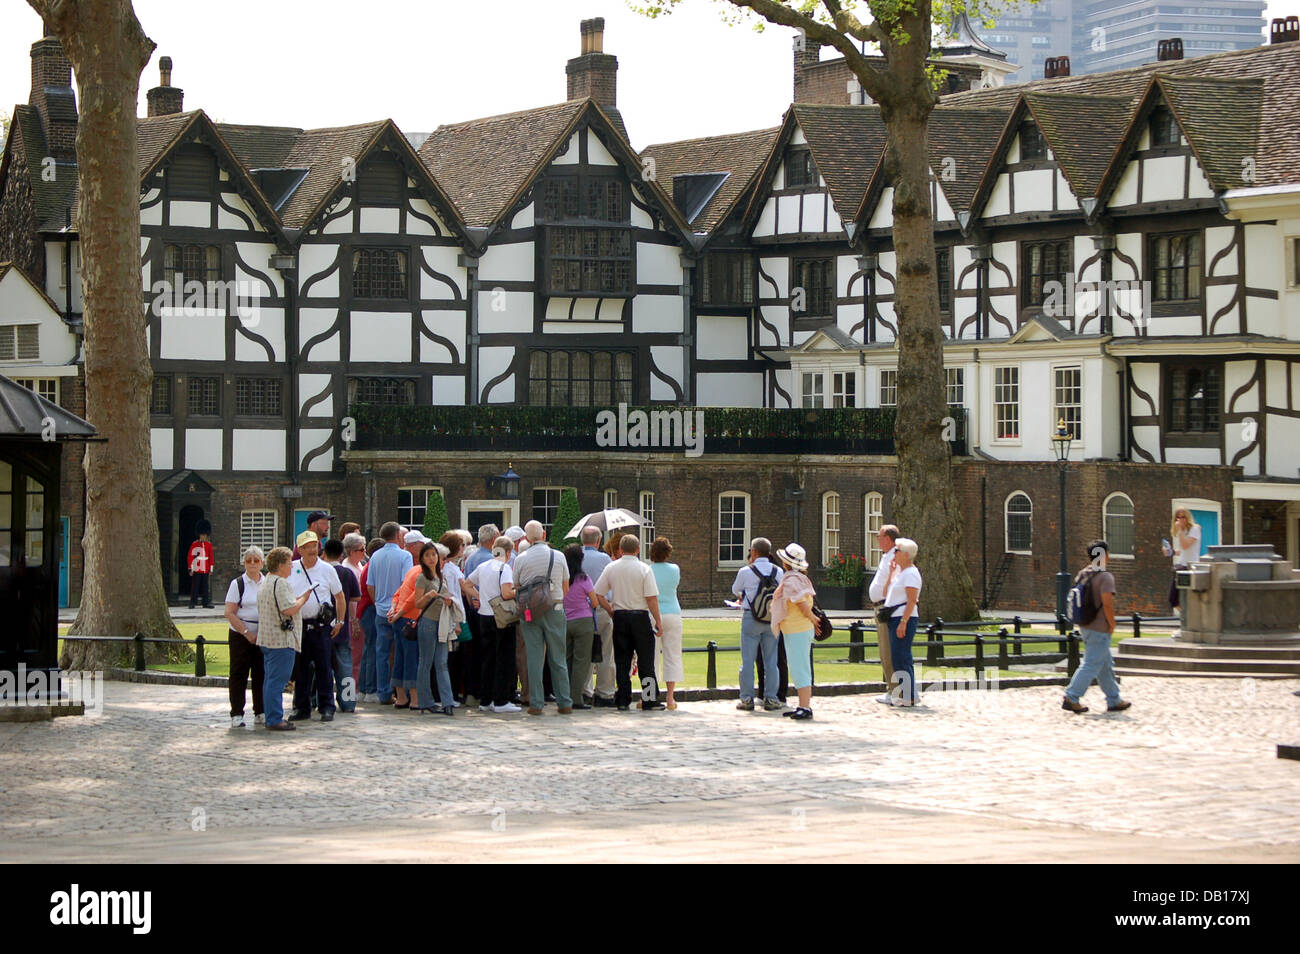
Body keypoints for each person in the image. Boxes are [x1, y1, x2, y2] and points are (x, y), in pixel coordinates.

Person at [593, 534, 663, 711]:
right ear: (638, 549)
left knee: (622, 660)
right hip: (640, 616)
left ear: (620, 550)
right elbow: (651, 598)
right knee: (646, 661)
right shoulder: (644, 569)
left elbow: (598, 594)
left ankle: (623, 699)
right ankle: (649, 699)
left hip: (620, 616)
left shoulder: (611, 567)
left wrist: (610, 611)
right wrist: (658, 620)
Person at [1062, 540, 1132, 714]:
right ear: (1105, 555)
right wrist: (1112, 623)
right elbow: (1107, 603)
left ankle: (1114, 699)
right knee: (1091, 664)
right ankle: (1072, 696)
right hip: (1099, 626)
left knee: (1105, 664)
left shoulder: (1084, 573)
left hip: (1085, 624)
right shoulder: (1105, 577)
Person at [513, 521, 572, 715]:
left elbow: (517, 586)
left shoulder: (521, 559)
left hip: (531, 610)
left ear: (527, 539)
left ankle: (536, 703)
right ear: (544, 534)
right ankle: (564, 701)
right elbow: (565, 587)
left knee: (534, 657)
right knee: (558, 657)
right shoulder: (559, 556)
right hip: (555, 608)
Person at [287, 531, 346, 722]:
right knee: (301, 668)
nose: (312, 550)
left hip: (321, 625)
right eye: (307, 547)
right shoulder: (292, 568)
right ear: (300, 550)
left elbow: (339, 596)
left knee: (324, 667)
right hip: (300, 625)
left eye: (315, 546)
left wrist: (340, 620)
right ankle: (301, 706)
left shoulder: (327, 569)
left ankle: (327, 706)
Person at [256, 546, 312, 731]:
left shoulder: (266, 581)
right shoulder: (280, 583)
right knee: (277, 681)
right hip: (280, 640)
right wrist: (303, 598)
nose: (291, 567)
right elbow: (288, 609)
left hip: (267, 639)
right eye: (288, 563)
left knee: (270, 680)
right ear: (280, 565)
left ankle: (272, 715)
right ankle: (274, 719)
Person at [466, 536, 521, 713]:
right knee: (504, 658)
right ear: (507, 552)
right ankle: (501, 700)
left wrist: (480, 597)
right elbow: (506, 593)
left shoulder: (483, 567)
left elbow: (466, 584)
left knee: (488, 658)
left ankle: (486, 699)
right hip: (501, 617)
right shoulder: (504, 568)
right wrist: (518, 590)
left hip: (484, 615)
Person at [401, 542, 455, 715]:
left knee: (442, 663)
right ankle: (425, 701)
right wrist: (428, 596)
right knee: (426, 662)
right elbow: (417, 603)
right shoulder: (422, 578)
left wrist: (448, 601)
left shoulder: (441, 576)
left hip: (442, 622)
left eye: (434, 555)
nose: (432, 558)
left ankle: (447, 702)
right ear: (422, 559)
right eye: (428, 555)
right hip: (428, 622)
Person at [732, 537, 783, 712]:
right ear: (769, 553)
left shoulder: (746, 571)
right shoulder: (778, 571)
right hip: (772, 618)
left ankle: (747, 699)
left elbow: (735, 589)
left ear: (753, 552)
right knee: (771, 661)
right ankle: (771, 698)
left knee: (747, 660)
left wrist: (745, 594)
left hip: (751, 618)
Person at [366, 522, 413, 705]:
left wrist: (378, 602)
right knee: (402, 652)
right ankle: (405, 693)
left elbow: (371, 585)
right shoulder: (404, 556)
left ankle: (383, 692)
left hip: (380, 610)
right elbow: (406, 584)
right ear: (399, 536)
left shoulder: (375, 556)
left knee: (382, 653)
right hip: (399, 611)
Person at [771, 543, 816, 720]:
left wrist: (812, 617)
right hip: (796, 629)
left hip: (797, 629)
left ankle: (805, 706)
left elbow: (799, 601)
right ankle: (802, 704)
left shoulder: (791, 580)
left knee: (800, 667)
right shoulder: (798, 578)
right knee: (798, 666)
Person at [224, 546, 265, 727]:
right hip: (240, 634)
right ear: (244, 563)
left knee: (261, 673)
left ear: (262, 563)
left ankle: (260, 710)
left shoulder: (268, 582)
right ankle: (237, 713)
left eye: (256, 560)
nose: (253, 564)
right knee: (239, 673)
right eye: (249, 560)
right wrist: (247, 633)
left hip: (262, 633)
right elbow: (230, 612)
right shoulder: (237, 584)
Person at [321, 537, 361, 713]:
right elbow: (356, 597)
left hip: (322, 627)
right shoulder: (346, 573)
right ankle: (348, 702)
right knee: (345, 668)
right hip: (342, 626)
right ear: (341, 553)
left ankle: (318, 700)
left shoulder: (320, 572)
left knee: (321, 667)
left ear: (324, 553)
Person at [562, 543, 603, 710]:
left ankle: (564, 695)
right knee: (581, 662)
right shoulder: (584, 578)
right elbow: (594, 602)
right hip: (583, 621)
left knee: (566, 660)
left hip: (565, 621)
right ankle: (576, 698)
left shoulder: (562, 578)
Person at [883, 538, 923, 707]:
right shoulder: (900, 572)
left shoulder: (911, 574)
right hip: (895, 617)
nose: (895, 553)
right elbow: (886, 593)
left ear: (906, 555)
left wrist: (904, 621)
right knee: (897, 656)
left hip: (903, 617)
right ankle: (908, 693)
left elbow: (912, 600)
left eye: (897, 551)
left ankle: (909, 695)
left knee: (902, 656)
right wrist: (891, 574)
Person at [582, 526, 616, 707]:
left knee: (584, 652)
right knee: (606, 652)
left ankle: (585, 691)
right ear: (598, 541)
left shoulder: (575, 556)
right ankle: (605, 692)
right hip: (602, 608)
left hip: (581, 610)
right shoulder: (604, 558)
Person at [867, 524, 900, 705]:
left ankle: (894, 690)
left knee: (888, 651)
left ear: (888, 538)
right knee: (883, 650)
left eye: (879, 537)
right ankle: (891, 687)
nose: (877, 540)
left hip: (886, 608)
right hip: (880, 606)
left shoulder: (895, 556)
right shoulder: (887, 556)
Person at [649, 537, 683, 710]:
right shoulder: (675, 569)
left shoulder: (648, 570)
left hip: (653, 615)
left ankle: (648, 696)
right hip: (673, 613)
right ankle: (670, 698)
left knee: (650, 658)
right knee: (673, 655)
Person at [388, 552, 425, 708]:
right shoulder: (422, 575)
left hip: (401, 618)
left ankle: (401, 697)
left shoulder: (413, 570)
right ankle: (415, 699)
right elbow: (412, 599)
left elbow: (399, 592)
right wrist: (397, 613)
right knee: (411, 659)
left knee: (400, 658)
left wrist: (393, 608)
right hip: (410, 620)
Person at [438, 531, 471, 706]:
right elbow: (450, 595)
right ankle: (449, 694)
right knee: (452, 659)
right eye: (461, 545)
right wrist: (456, 622)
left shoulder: (449, 567)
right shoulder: (449, 570)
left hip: (454, 615)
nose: (463, 548)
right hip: (453, 617)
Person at [355, 537, 384, 702]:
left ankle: (364, 689)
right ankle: (370, 689)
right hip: (370, 610)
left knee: (368, 650)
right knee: (372, 649)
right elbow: (371, 589)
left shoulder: (368, 565)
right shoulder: (372, 566)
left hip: (365, 610)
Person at [1164, 508, 1202, 627]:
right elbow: (1184, 551)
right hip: (1181, 565)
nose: (1180, 520)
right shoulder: (1183, 531)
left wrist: (1180, 531)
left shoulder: (1195, 529)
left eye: (1183, 517)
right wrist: (1171, 552)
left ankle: (1190, 619)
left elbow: (1186, 545)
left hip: (1189, 566)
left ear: (1188, 518)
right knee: (1172, 599)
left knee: (1187, 596)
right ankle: (1187, 616)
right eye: (1178, 518)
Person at [342, 532, 368, 691]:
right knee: (353, 658)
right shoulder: (347, 569)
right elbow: (350, 598)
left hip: (359, 615)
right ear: (352, 551)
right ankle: (351, 692)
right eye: (361, 549)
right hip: (353, 618)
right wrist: (354, 621)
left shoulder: (358, 566)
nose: (364, 552)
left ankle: (355, 689)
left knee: (359, 655)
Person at [187, 520, 214, 609]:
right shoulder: (194, 544)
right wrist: (190, 569)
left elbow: (211, 557)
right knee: (195, 586)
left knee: (205, 586)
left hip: (205, 568)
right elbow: (190, 557)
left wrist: (211, 569)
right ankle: (193, 602)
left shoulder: (208, 545)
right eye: (202, 535)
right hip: (197, 567)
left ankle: (205, 602)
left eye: (205, 535)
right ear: (199, 535)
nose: (203, 537)